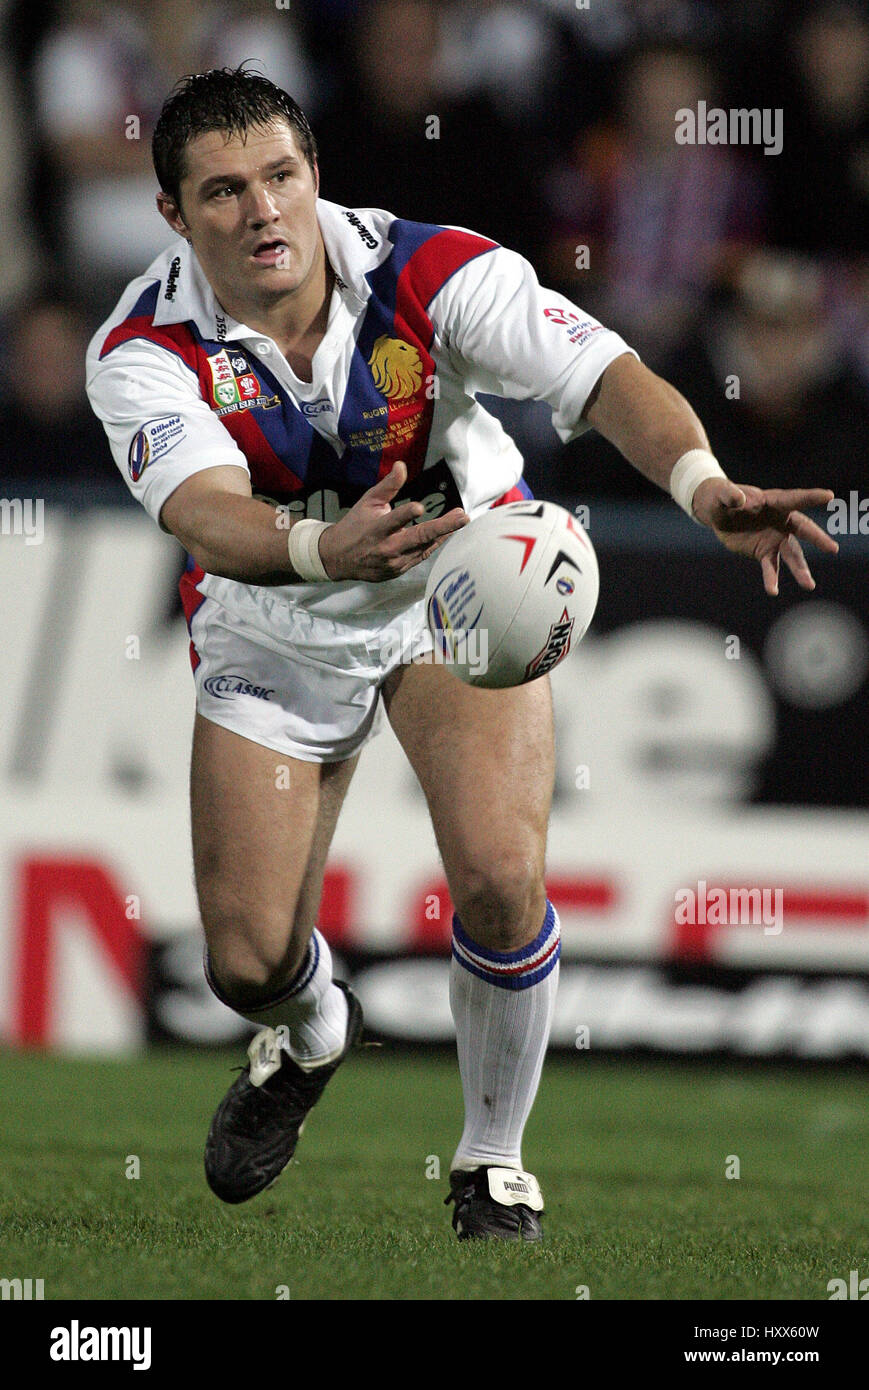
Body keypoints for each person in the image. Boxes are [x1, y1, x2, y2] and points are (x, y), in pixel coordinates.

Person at [86, 68, 837, 1242]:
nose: (262, 210)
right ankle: (313, 1026)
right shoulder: (139, 347)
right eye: (223, 192)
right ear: (176, 216)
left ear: (314, 174)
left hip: (457, 583)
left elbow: (605, 376)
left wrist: (702, 487)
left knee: (496, 873)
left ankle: (491, 1161)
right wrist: (322, 547)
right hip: (276, 615)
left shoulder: (433, 270)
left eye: (281, 175)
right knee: (242, 959)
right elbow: (203, 514)